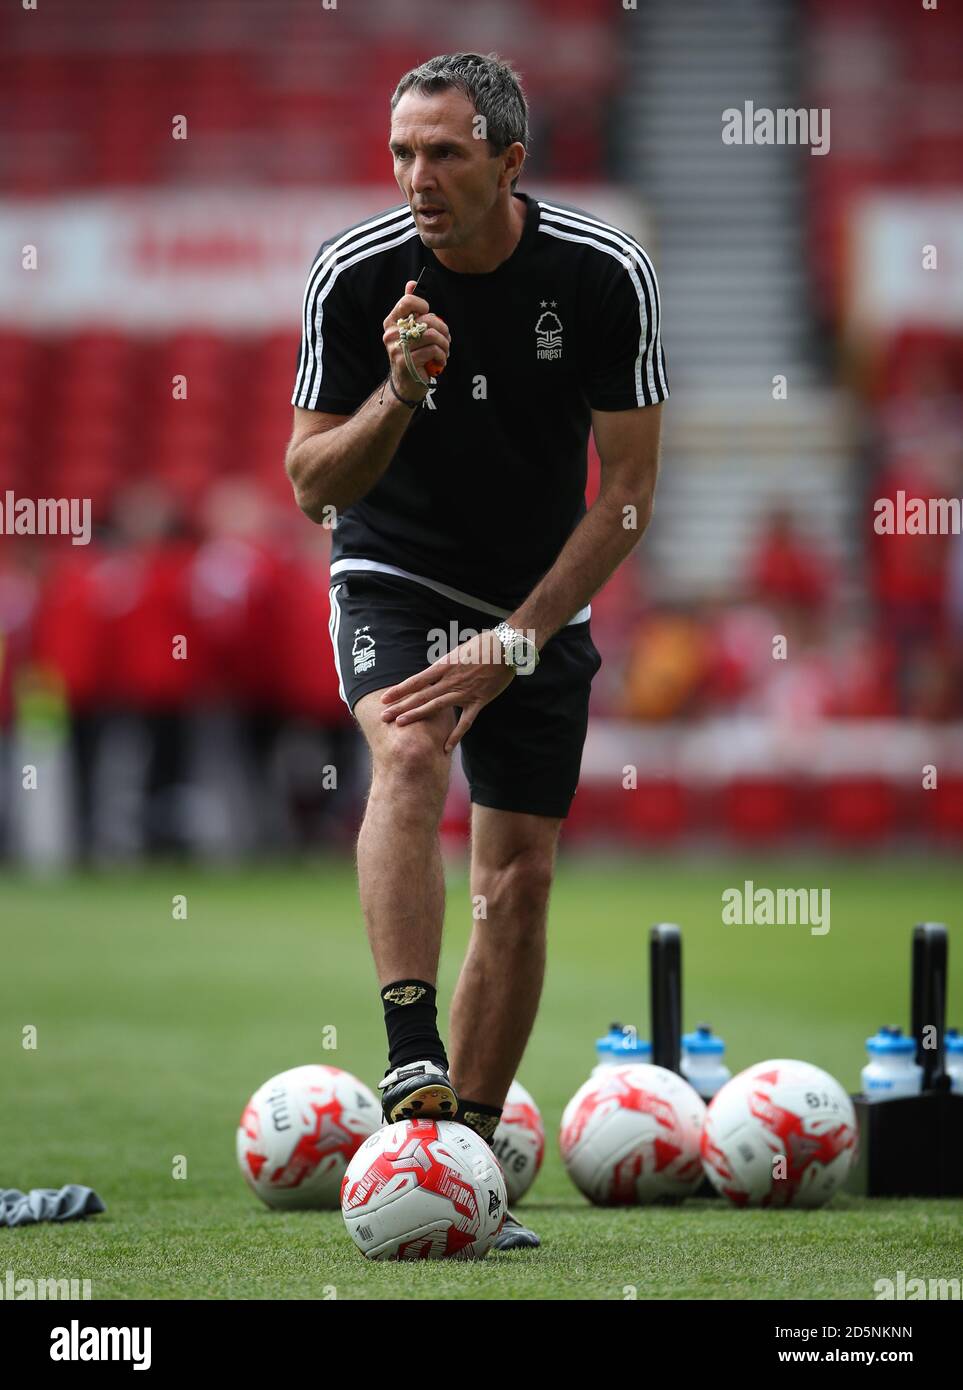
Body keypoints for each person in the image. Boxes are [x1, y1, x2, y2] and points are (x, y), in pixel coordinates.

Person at [285, 52, 667, 1248]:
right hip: (394, 564)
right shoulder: (355, 276)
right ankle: (412, 1065)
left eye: (443, 152)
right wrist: (398, 392)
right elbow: (308, 484)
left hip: (539, 593)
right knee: (404, 747)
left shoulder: (605, 275)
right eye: (402, 151)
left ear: (510, 161)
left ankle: (467, 1156)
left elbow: (631, 497)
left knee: (519, 881)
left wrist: (519, 637)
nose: (416, 176)